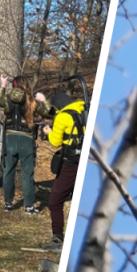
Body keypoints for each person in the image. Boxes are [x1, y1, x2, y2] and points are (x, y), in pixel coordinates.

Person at [0, 75, 52, 214]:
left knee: (8, 170)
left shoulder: (7, 99)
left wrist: (2, 85)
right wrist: (44, 100)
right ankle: (29, 206)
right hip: (26, 139)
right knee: (28, 173)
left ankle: (8, 203)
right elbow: (51, 113)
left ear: (13, 85)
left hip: (9, 138)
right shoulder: (32, 102)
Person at [41, 91, 87, 253]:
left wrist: (48, 132)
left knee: (55, 200)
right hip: (87, 161)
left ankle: (58, 237)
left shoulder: (63, 117)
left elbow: (55, 141)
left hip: (71, 163)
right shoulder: (84, 109)